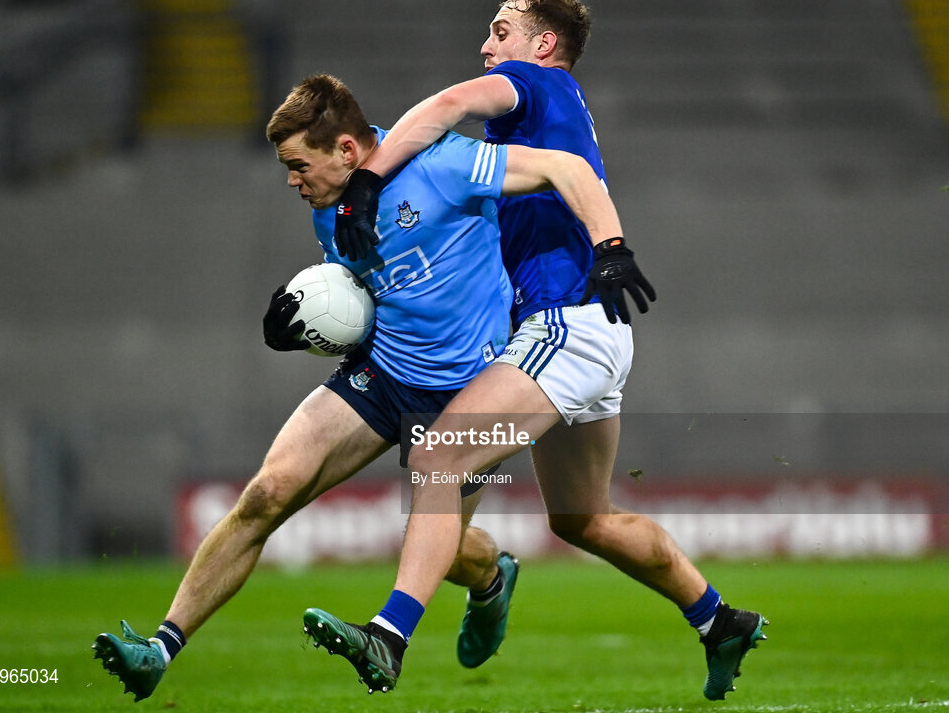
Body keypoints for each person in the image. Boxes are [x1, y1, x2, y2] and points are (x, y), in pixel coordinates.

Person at [91, 72, 637, 702]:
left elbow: (565, 167)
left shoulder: (443, 165)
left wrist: (610, 245)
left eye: (299, 166)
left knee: (452, 552)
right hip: (381, 373)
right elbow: (359, 299)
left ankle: (491, 579)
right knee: (267, 493)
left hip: (469, 391)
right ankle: (159, 649)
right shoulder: (329, 208)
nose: (292, 181)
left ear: (347, 151)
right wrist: (302, 320)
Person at [305, 0, 767, 701]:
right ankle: (720, 620)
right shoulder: (539, 127)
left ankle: (390, 634)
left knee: (437, 455)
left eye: (499, 31)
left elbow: (446, 107)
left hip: (565, 324)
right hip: (589, 333)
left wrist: (368, 177)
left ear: (541, 43)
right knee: (584, 518)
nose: (486, 46)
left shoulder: (532, 86)